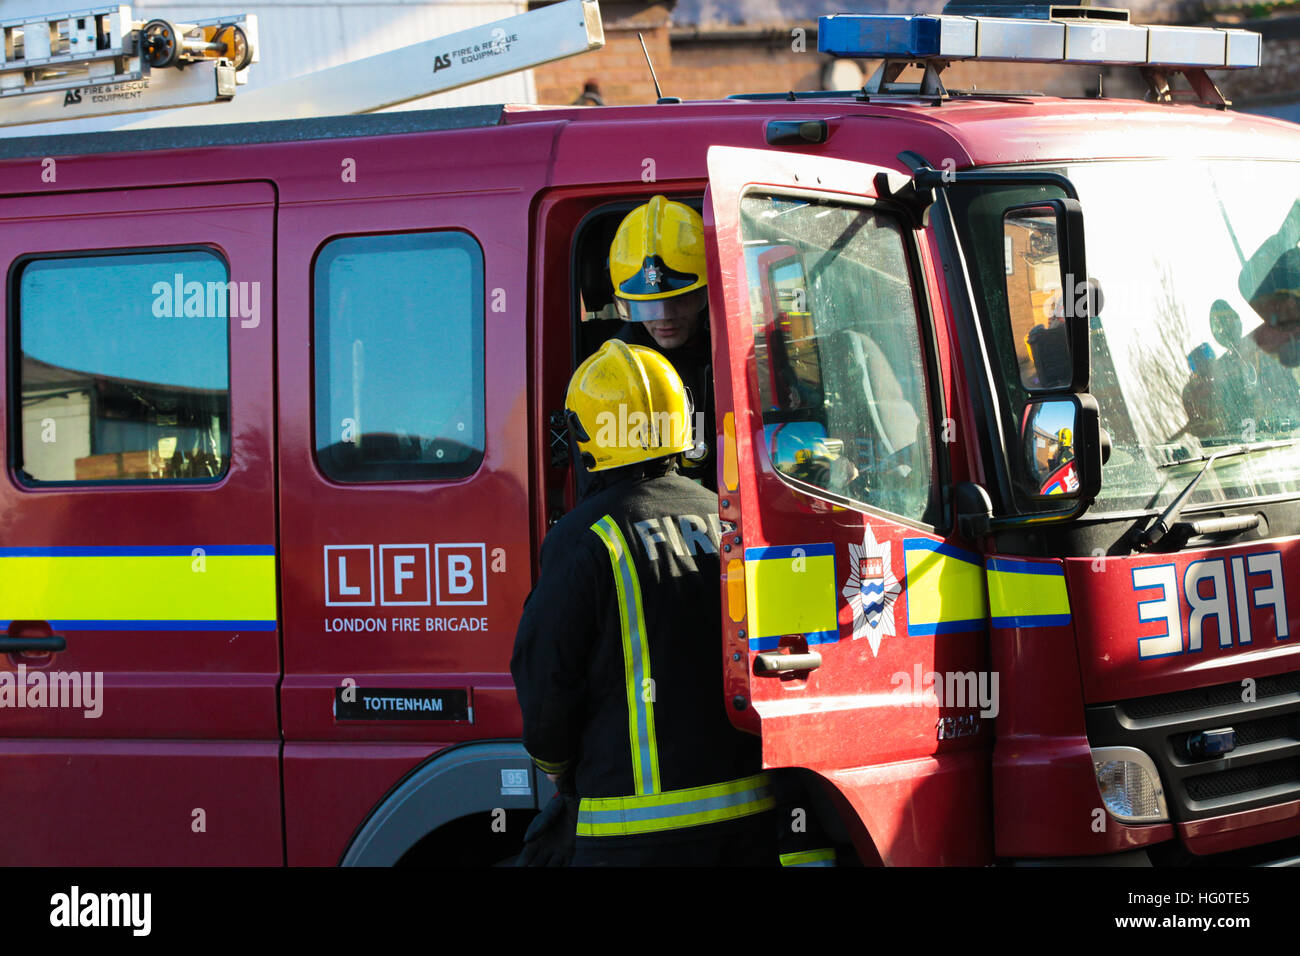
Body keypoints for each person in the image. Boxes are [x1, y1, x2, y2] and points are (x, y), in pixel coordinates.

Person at [511, 339, 776, 866]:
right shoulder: (732, 519)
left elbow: (546, 679)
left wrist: (555, 765)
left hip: (631, 835)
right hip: (753, 823)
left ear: (587, 444)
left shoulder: (586, 538)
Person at [609, 195, 716, 490]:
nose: (665, 318)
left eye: (680, 300)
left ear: (706, 295)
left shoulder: (729, 351)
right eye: (648, 306)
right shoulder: (613, 372)